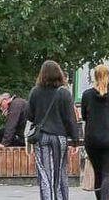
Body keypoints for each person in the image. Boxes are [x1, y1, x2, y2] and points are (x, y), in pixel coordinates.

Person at [27, 60, 79, 200]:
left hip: (41, 137)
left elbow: (29, 115)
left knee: (45, 174)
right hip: (59, 138)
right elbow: (70, 118)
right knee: (60, 172)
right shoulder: (64, 93)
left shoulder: (35, 92)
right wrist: (75, 140)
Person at [81, 64, 109, 200]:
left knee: (98, 173)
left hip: (92, 139)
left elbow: (84, 116)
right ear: (108, 76)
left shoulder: (87, 95)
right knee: (108, 173)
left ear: (94, 76)